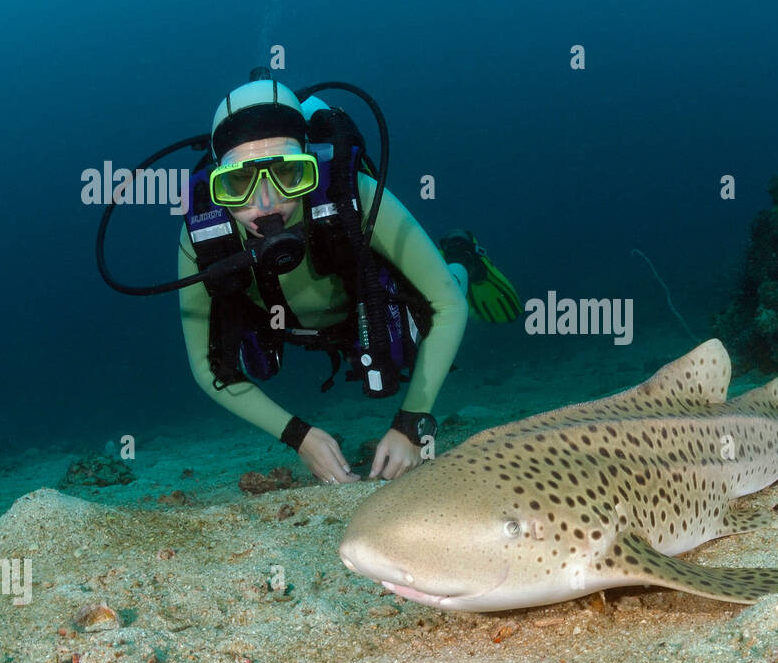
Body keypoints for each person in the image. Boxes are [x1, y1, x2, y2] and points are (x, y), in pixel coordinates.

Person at [176, 74, 520, 483]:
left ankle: (463, 258)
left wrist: (413, 424)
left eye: (288, 174)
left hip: (369, 305)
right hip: (286, 325)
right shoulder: (202, 236)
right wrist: (297, 436)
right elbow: (205, 364)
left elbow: (447, 305)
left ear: (311, 164)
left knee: (435, 298)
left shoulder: (353, 192)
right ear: (216, 184)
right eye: (238, 182)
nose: (264, 204)